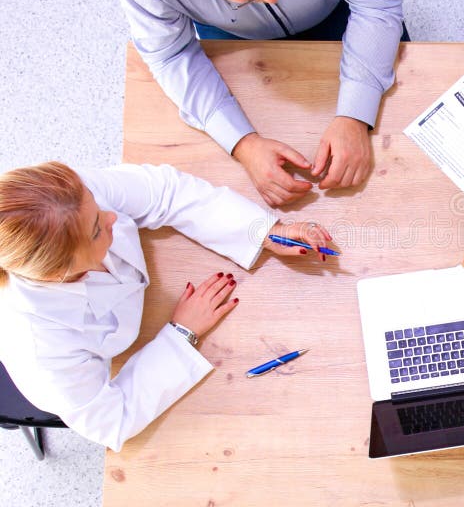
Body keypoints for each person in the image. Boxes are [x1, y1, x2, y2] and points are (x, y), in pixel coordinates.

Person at [0, 162, 333, 450]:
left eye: (98, 206)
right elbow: (112, 420)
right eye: (97, 229)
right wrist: (181, 335)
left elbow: (164, 192)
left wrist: (264, 231)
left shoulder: (63, 199)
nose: (112, 216)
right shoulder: (41, 349)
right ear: (59, 271)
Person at [113, 0, 406, 207]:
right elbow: (172, 54)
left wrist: (355, 115)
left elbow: (376, 3)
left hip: (340, 0)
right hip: (234, 34)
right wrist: (242, 143)